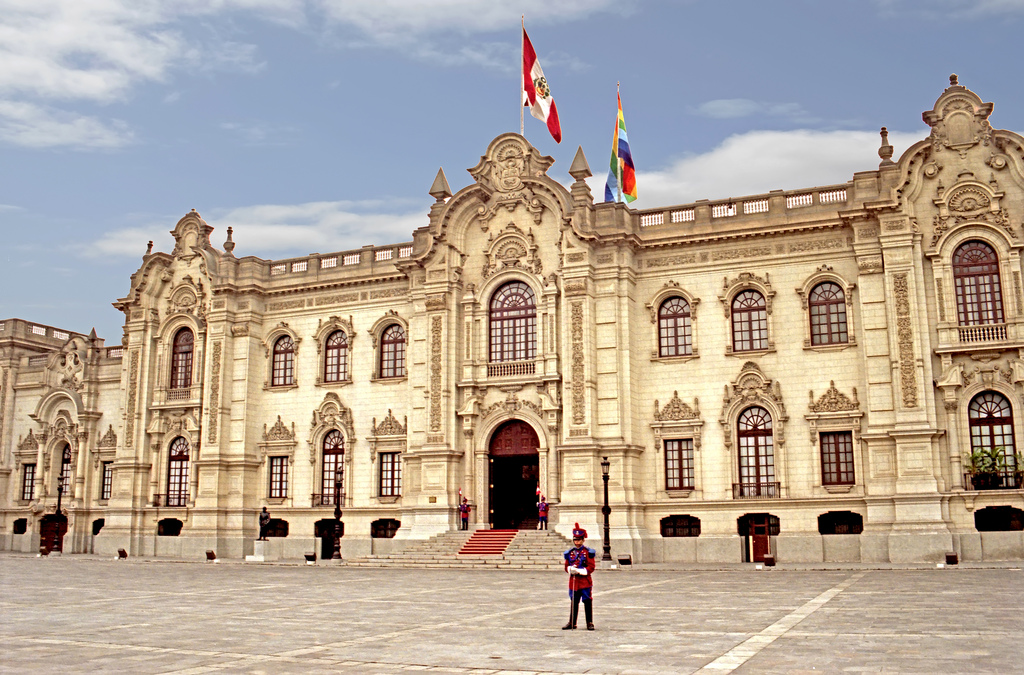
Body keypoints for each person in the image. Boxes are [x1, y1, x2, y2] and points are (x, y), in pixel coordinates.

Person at [562, 523, 597, 630]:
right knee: (574, 602)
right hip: (574, 582)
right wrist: (570, 570)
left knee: (587, 601)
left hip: (584, 581)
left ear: (583, 540)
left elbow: (591, 567)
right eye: (575, 540)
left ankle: (589, 622)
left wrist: (580, 571)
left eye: (579, 540)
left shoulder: (588, 552)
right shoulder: (570, 553)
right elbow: (566, 565)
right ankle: (572, 622)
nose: (577, 542)